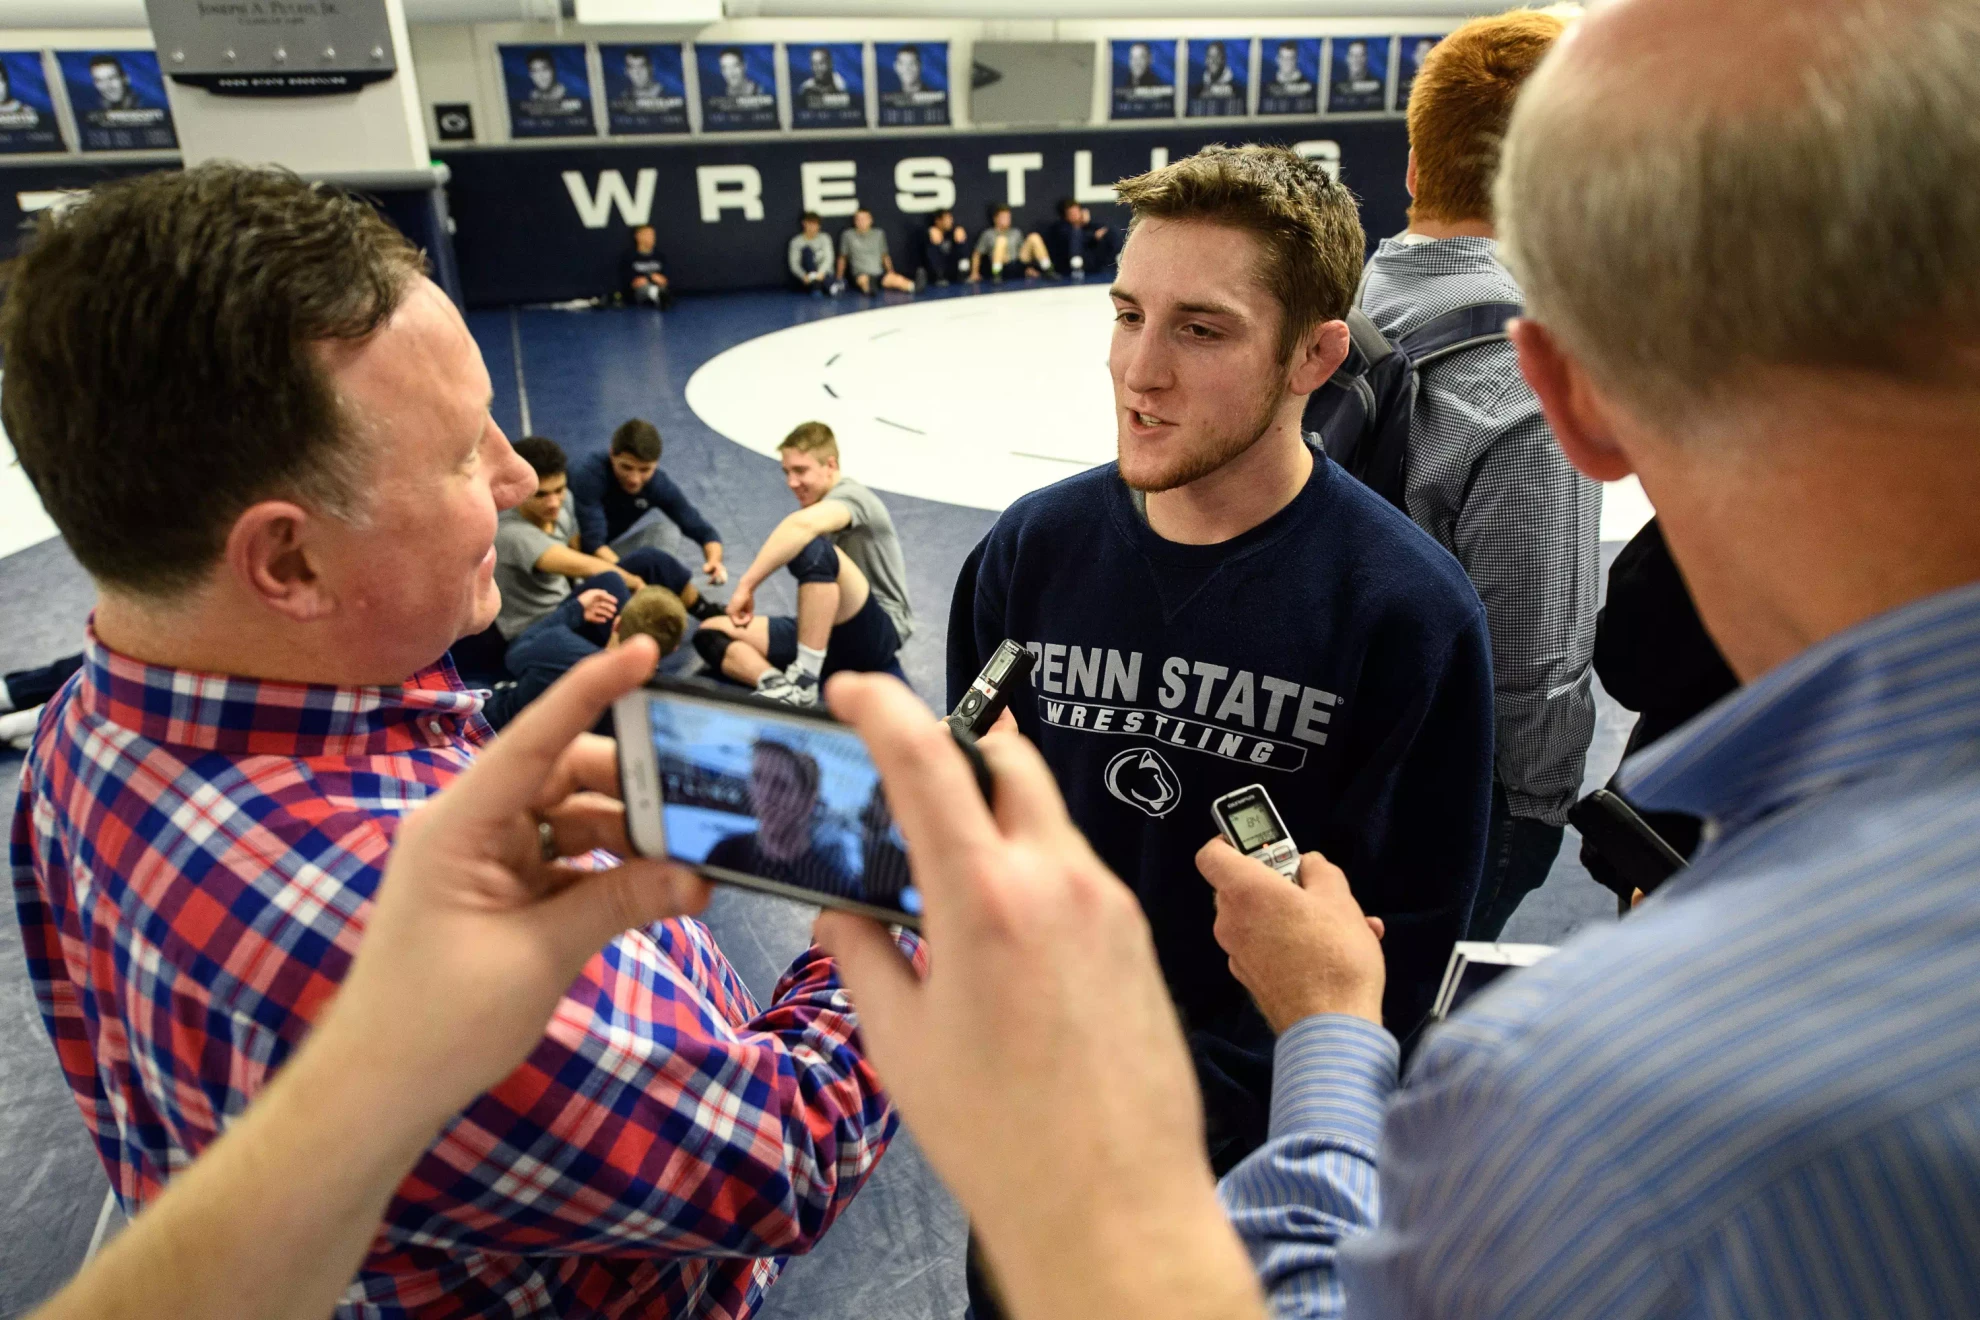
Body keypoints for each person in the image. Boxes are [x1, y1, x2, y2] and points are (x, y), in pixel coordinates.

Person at [4, 163, 905, 1318]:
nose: (519, 473)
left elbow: (441, 747)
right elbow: (786, 1155)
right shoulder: (354, 943)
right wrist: (889, 901)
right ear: (287, 562)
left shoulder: (106, 713)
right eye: (454, 455)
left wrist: (782, 796)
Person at [949, 143, 1494, 1178]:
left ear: (1316, 358)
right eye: (1126, 315)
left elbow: (1402, 946)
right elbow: (981, 811)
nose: (1139, 371)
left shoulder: (1408, 612)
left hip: (1253, 1159)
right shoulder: (1030, 551)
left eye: (1200, 330)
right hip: (1036, 1114)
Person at [26, 643, 722, 1320]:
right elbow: (775, 1167)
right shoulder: (353, 917)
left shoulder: (71, 716)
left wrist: (358, 1094)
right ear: (285, 558)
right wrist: (830, 969)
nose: (500, 513)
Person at [1357, 9, 1599, 940]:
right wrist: (1537, 811)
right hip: (1455, 800)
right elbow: (1536, 668)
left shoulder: (1336, 313)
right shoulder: (1527, 384)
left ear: (1416, 168)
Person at [695, 421, 914, 706]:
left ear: (830, 465)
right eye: (787, 472)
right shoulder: (819, 506)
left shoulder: (854, 497)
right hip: (832, 633)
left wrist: (746, 586)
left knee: (812, 548)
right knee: (711, 632)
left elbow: (800, 527)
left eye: (800, 471)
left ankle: (805, 681)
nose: (791, 482)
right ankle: (777, 684)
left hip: (878, 631)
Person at [493, 434, 706, 644]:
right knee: (611, 580)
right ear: (518, 490)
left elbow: (576, 545)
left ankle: (708, 611)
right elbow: (582, 566)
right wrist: (636, 584)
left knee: (651, 558)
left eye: (559, 490)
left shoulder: (562, 503)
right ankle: (636, 661)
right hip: (538, 629)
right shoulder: (510, 532)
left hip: (572, 604)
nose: (553, 503)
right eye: (541, 495)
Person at [489, 579, 690, 729]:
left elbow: (513, 656)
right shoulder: (661, 712)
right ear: (674, 649)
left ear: (617, 624)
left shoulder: (560, 646)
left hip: (495, 729)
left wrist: (574, 610)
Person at [565, 417, 728, 578]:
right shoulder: (587, 473)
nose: (634, 479)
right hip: (564, 553)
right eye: (626, 467)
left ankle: (638, 586)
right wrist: (631, 580)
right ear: (611, 454)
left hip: (603, 556)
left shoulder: (658, 485)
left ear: (656, 464)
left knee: (666, 532)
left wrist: (714, 561)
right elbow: (592, 543)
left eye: (644, 470)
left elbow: (705, 533)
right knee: (574, 531)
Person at [705, 741, 858, 897]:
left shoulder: (834, 885)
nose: (765, 796)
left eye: (781, 785)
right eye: (757, 778)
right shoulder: (726, 855)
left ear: (807, 800)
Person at [837, 208, 914, 295]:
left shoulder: (879, 234)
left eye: (864, 219)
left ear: (870, 220)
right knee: (863, 281)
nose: (861, 222)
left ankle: (913, 286)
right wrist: (839, 278)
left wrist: (891, 272)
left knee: (898, 280)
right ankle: (869, 290)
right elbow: (842, 258)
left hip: (879, 274)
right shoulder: (847, 235)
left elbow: (885, 256)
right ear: (854, 221)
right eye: (858, 219)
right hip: (860, 274)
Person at [970, 205, 1052, 282]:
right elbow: (977, 254)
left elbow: (1023, 253)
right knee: (1001, 240)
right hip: (1003, 266)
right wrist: (974, 273)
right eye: (1003, 217)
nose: (1007, 219)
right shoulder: (988, 234)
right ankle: (997, 275)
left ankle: (1048, 269)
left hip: (1018, 265)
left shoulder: (1016, 232)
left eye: (1008, 217)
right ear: (995, 219)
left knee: (1034, 237)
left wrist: (1029, 268)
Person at [1041, 197, 1115, 278]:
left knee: (1109, 232)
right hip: (1067, 266)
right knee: (1077, 232)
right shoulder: (1061, 228)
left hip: (1091, 264)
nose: (1076, 215)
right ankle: (1076, 263)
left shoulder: (1088, 226)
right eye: (1072, 213)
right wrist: (1093, 236)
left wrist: (1088, 224)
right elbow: (1073, 237)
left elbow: (1101, 230)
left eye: (1077, 211)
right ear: (1065, 216)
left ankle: (1119, 258)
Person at [912, 208, 969, 286]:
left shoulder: (954, 231)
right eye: (946, 219)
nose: (950, 221)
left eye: (950, 218)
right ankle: (939, 276)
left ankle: (964, 273)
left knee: (961, 240)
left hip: (952, 269)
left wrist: (959, 230)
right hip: (935, 273)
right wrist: (929, 233)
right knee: (932, 248)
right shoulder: (929, 232)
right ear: (938, 221)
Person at [620, 224, 671, 309]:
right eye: (648, 235)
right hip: (639, 293)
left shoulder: (660, 256)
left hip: (659, 286)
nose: (652, 238)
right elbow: (632, 282)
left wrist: (659, 279)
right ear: (638, 236)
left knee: (662, 288)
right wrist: (649, 278)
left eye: (653, 235)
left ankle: (659, 296)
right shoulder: (630, 257)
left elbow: (665, 279)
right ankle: (657, 295)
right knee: (643, 287)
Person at [788, 210, 836, 293]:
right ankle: (827, 287)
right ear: (803, 223)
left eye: (814, 224)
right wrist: (803, 276)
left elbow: (829, 259)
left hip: (824, 274)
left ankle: (819, 286)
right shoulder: (796, 241)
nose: (812, 227)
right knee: (807, 251)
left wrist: (821, 273)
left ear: (819, 226)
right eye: (809, 223)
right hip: (807, 276)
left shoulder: (825, 238)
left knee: (828, 278)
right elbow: (794, 264)